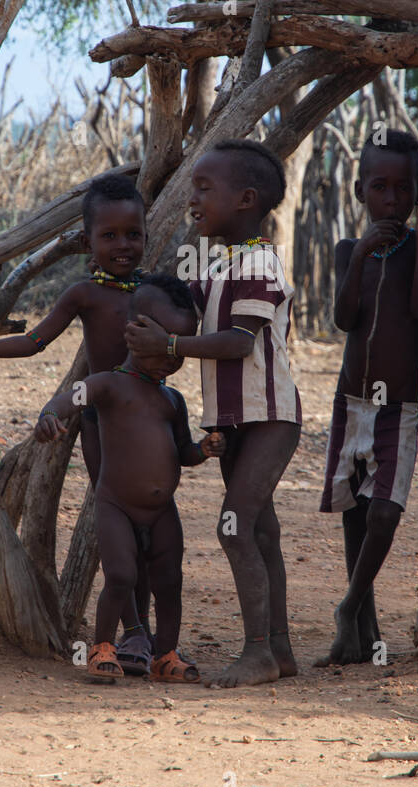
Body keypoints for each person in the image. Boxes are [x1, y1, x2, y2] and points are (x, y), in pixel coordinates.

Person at [0, 172, 155, 674]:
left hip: (152, 429)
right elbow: (35, 341)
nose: (123, 245)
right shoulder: (84, 294)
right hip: (101, 428)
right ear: (88, 242)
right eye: (109, 236)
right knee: (119, 535)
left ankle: (150, 639)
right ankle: (130, 634)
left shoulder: (157, 291)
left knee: (153, 535)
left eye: (133, 234)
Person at [125, 139, 301, 689]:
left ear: (245, 199)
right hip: (232, 419)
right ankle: (279, 649)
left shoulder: (260, 264)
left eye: (204, 189)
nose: (192, 199)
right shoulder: (223, 263)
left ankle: (257, 653)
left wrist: (172, 348)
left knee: (234, 527)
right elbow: (187, 314)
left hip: (269, 416)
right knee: (260, 531)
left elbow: (236, 343)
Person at [35, 274, 224, 683]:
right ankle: (103, 647)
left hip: (162, 511)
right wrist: (50, 415)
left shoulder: (172, 400)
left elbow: (183, 452)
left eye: (181, 345)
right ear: (133, 330)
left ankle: (165, 654)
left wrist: (203, 450)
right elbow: (70, 398)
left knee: (170, 581)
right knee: (121, 575)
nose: (173, 355)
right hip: (116, 505)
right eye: (166, 339)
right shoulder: (108, 386)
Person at [315, 128, 418, 666]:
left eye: (403, 189)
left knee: (384, 514)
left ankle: (347, 608)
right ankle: (358, 637)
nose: (391, 200)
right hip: (351, 404)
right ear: (360, 190)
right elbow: (343, 319)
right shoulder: (350, 250)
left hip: (398, 410)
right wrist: (363, 250)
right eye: (379, 188)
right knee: (354, 514)